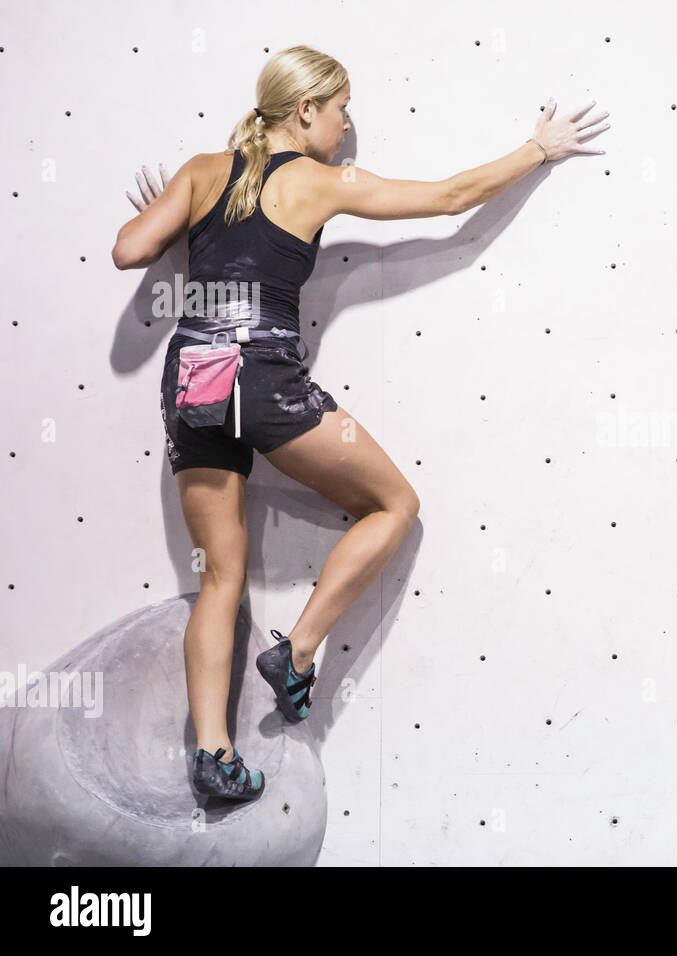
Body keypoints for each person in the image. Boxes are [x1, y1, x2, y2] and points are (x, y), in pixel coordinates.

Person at [112, 45, 610, 801]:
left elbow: (129, 249)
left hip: (192, 379)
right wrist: (537, 149)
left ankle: (213, 756)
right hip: (259, 371)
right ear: (305, 110)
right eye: (341, 110)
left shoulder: (202, 169)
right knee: (396, 505)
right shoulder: (315, 181)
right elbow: (447, 201)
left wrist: (183, 222)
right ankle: (298, 652)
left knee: (220, 577)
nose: (347, 129)